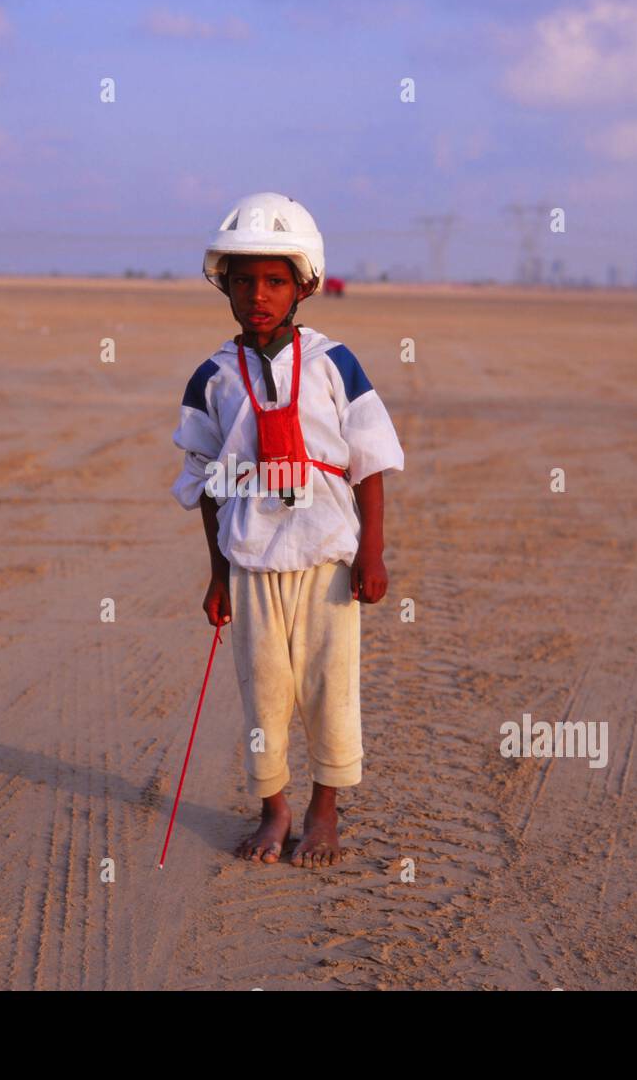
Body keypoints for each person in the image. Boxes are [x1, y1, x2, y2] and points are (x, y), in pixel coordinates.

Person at [170, 191, 405, 867]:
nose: (258, 295)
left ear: (305, 283)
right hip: (250, 567)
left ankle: (324, 810)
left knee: (332, 690)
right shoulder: (212, 378)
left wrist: (374, 552)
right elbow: (209, 482)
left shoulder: (336, 364)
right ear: (226, 286)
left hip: (328, 562)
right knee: (263, 696)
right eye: (243, 281)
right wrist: (217, 572)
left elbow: (370, 463)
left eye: (274, 280)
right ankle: (273, 809)